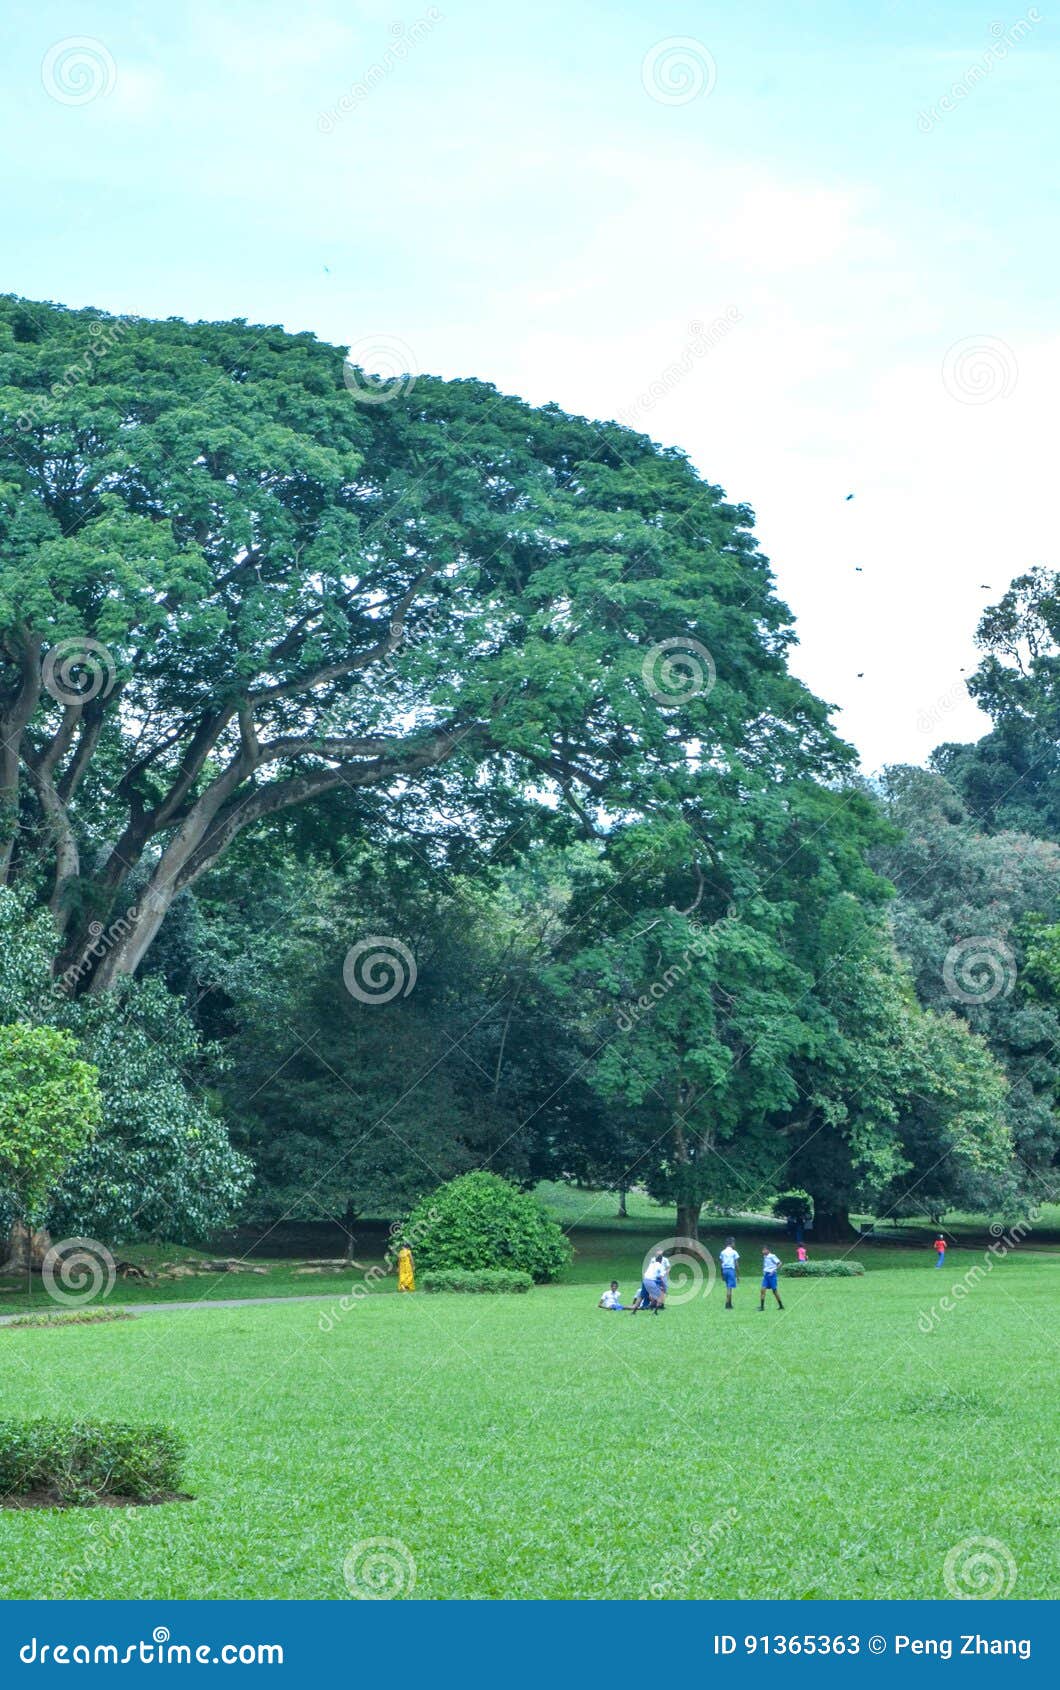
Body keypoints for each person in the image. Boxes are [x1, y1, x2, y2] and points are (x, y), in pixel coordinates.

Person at [759, 1246, 784, 1311]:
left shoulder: (772, 1256)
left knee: (774, 1291)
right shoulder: (765, 1257)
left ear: (768, 1250)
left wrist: (774, 1271)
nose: (763, 1251)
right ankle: (762, 1307)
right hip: (766, 1275)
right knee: (762, 1290)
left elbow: (780, 1263)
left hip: (772, 1275)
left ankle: (781, 1305)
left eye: (764, 1250)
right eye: (762, 1250)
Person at [719, 1237, 739, 1309]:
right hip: (731, 1270)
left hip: (724, 1270)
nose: (734, 1244)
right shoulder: (734, 1252)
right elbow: (736, 1264)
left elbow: (721, 1264)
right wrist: (738, 1275)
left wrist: (721, 1274)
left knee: (728, 1286)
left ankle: (730, 1303)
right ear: (732, 1243)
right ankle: (727, 1304)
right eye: (734, 1243)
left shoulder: (722, 1252)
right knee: (729, 1288)